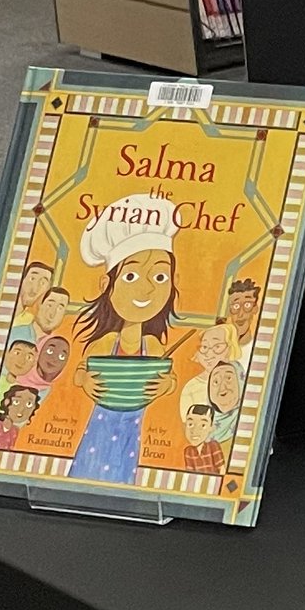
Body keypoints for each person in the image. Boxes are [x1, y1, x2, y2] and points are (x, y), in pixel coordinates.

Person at [67, 195, 185, 482]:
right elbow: (81, 371)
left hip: (133, 429)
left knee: (124, 473)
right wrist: (84, 380)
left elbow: (170, 380)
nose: (145, 289)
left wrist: (167, 384)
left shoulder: (154, 346)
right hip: (100, 427)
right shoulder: (106, 343)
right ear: (107, 284)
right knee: (90, 471)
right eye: (131, 276)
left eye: (159, 277)